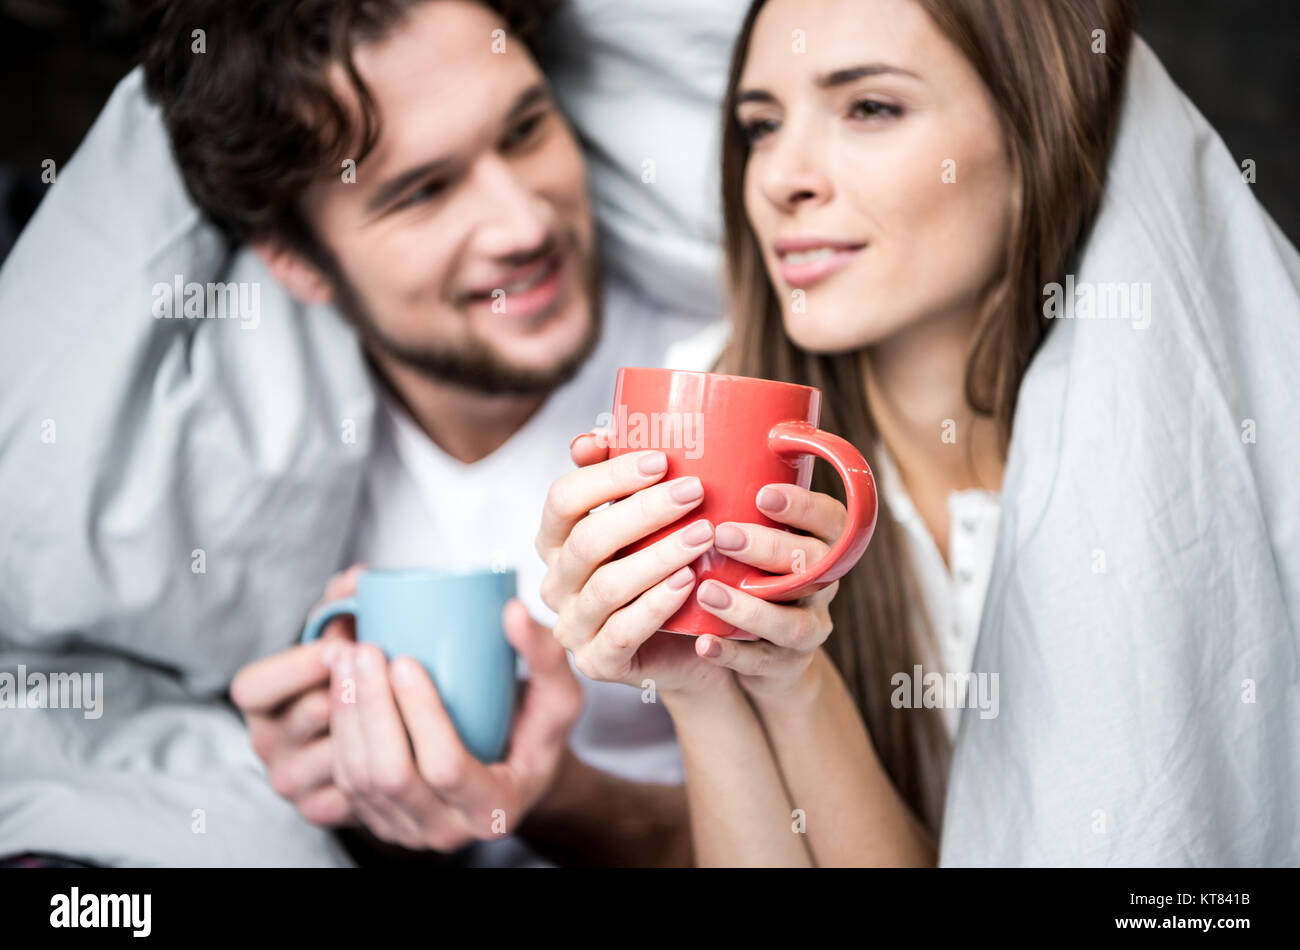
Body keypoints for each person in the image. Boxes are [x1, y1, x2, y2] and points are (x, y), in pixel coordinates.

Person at [537, 0, 1300, 865]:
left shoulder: (1192, 487)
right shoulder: (732, 447)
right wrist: (706, 684)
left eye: (870, 107)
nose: (782, 176)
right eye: (760, 125)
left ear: (1038, 136)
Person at [0, 0, 740, 866]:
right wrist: (318, 790)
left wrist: (553, 798)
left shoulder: (720, 378)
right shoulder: (253, 490)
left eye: (526, 129)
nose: (523, 225)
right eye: (423, 191)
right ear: (296, 261)